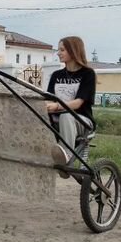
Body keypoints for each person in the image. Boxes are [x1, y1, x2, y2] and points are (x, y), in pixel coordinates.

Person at [45, 36, 96, 179]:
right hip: (57, 119)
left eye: (62, 50)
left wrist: (55, 106)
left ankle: (66, 156)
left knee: (66, 114)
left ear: (73, 51)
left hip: (82, 121)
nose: (58, 53)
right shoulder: (56, 75)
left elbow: (78, 103)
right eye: (58, 50)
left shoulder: (87, 74)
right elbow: (48, 98)